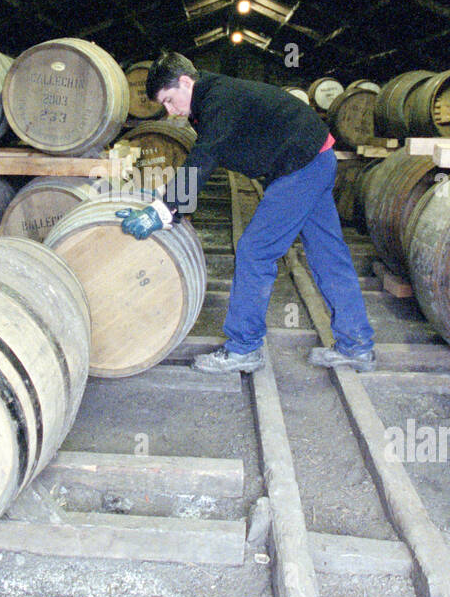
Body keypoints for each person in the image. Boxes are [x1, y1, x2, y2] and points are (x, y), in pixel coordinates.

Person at [114, 51, 375, 374]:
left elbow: (205, 156)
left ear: (185, 81)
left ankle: (243, 347)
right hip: (316, 158)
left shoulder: (218, 98)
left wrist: (162, 211)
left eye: (169, 100)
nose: (170, 111)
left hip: (302, 165)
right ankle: (356, 345)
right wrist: (171, 208)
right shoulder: (209, 98)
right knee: (327, 253)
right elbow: (207, 159)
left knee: (255, 250)